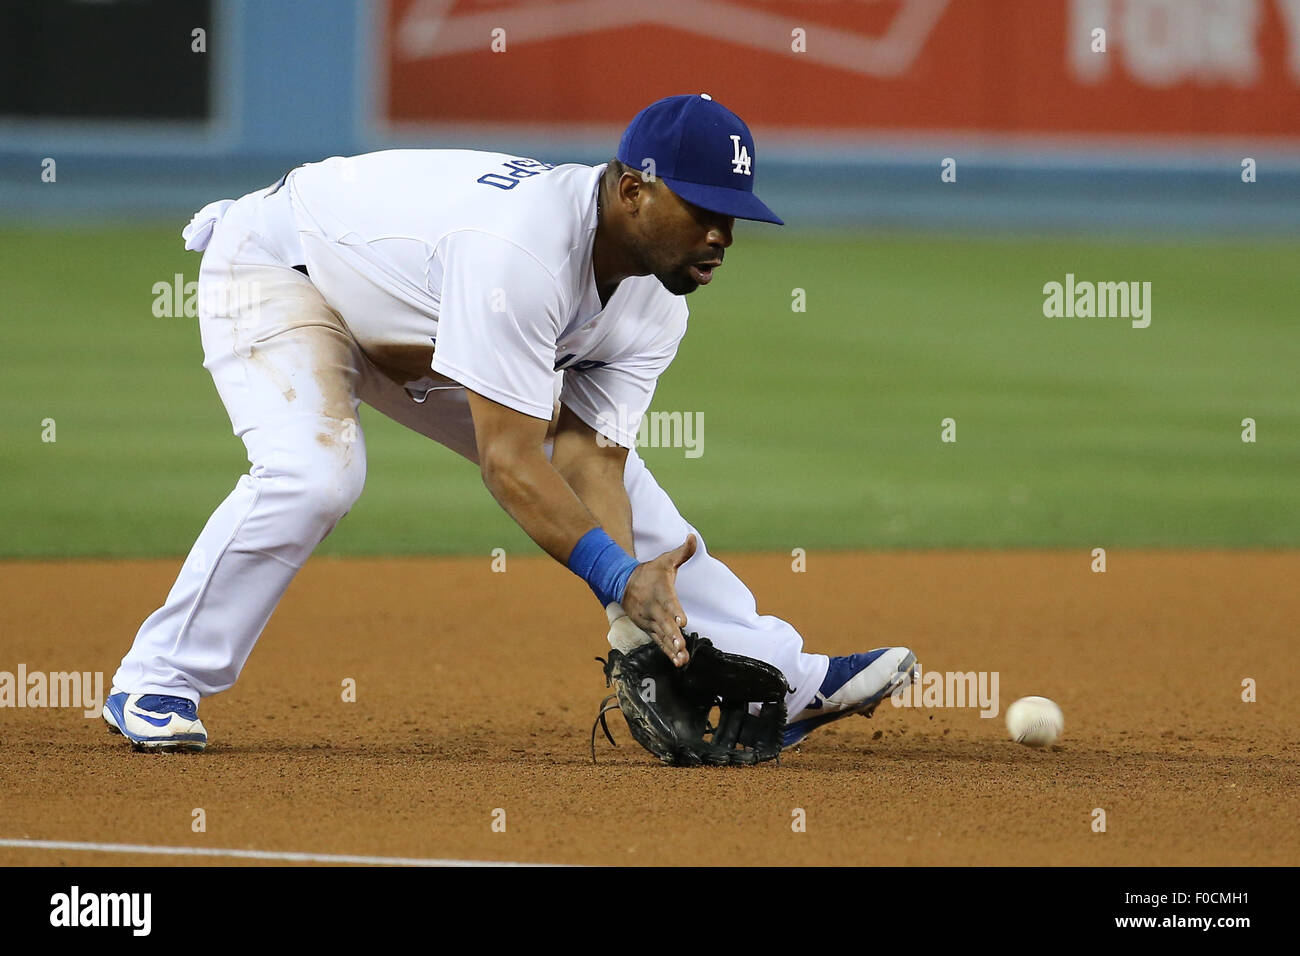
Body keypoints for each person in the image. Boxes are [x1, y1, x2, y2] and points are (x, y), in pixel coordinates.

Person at [103, 94, 916, 754]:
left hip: (420, 324)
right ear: (632, 189)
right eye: (703, 208)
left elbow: (589, 460)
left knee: (627, 481)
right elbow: (511, 462)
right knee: (315, 475)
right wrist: (613, 578)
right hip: (286, 272)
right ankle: (159, 677)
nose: (721, 235)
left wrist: (631, 619)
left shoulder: (656, 302)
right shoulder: (522, 253)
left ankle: (785, 671)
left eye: (734, 216)